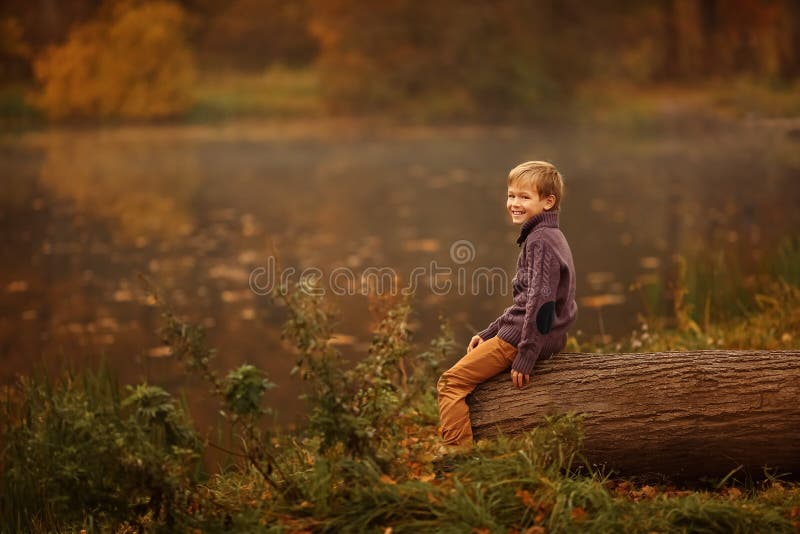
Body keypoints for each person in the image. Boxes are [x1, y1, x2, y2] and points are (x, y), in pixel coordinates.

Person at [436, 160, 578, 455]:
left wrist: (526, 354)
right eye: (512, 195)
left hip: (527, 339)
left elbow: (541, 303)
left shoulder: (540, 241)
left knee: (450, 383)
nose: (514, 203)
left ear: (548, 202)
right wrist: (489, 333)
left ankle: (458, 460)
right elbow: (525, 302)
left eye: (524, 197)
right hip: (534, 334)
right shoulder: (549, 235)